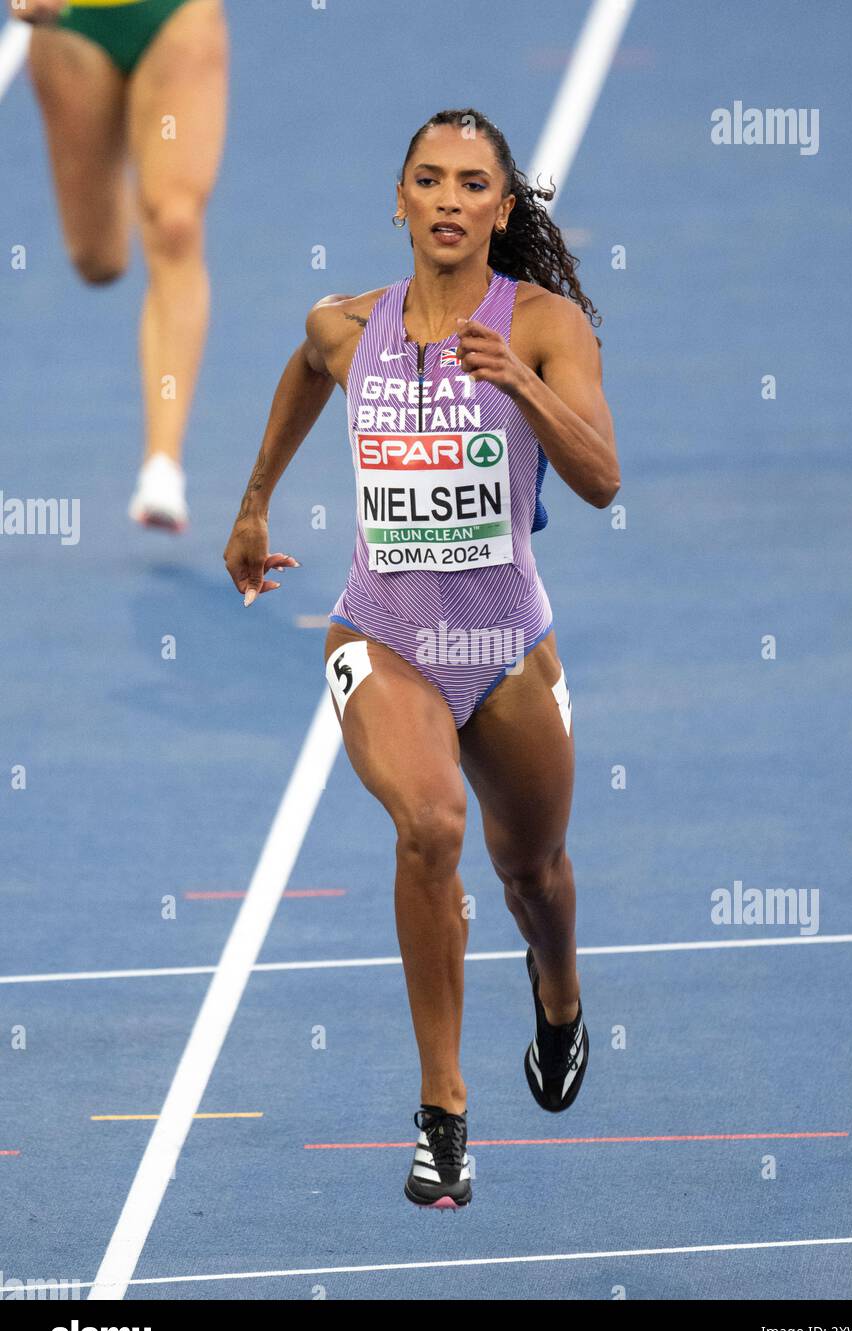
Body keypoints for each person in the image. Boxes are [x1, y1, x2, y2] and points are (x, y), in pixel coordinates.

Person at [224, 108, 620, 1209]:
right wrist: (254, 503)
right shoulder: (348, 324)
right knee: (430, 823)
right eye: (428, 180)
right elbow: (307, 366)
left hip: (505, 646)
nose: (448, 200)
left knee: (533, 874)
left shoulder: (541, 326)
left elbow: (603, 480)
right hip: (382, 634)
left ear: (502, 207)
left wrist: (525, 386)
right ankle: (442, 1112)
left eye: (471, 184)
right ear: (398, 201)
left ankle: (556, 995)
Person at [13, 0, 228, 530]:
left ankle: (163, 467)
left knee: (175, 223)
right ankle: (138, 150)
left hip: (176, 14)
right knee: (98, 260)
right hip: (71, 23)